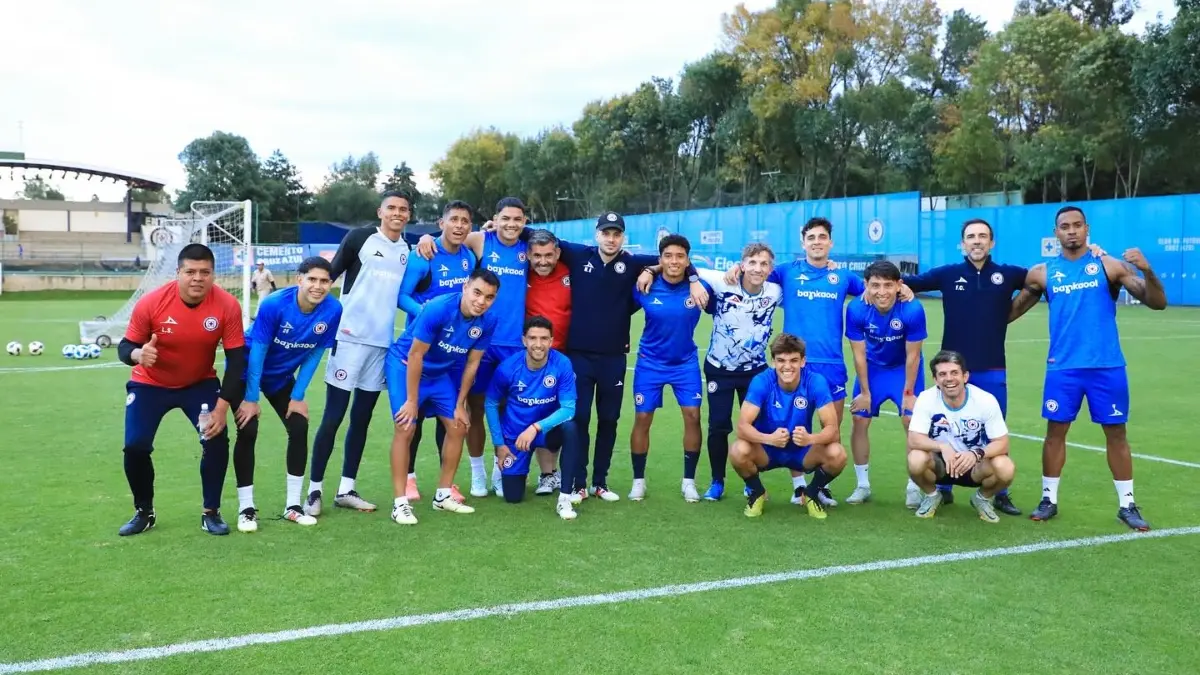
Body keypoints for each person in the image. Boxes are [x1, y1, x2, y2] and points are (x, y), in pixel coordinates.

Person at [1008, 205, 1167, 531]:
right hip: (1062, 368)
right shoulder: (1043, 273)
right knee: (1055, 434)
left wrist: (1147, 270)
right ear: (1056, 233)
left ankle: (1127, 505)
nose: (1071, 231)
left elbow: (1157, 302)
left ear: (1086, 229)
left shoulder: (1108, 266)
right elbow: (1010, 311)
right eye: (1064, 226)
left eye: (1077, 225)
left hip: (1106, 366)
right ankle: (1048, 499)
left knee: (1117, 434)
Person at [550, 212, 708, 503]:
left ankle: (600, 482)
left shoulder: (633, 263)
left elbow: (674, 260)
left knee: (609, 419)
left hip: (614, 356)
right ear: (597, 234)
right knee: (580, 419)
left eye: (616, 234)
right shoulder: (577, 254)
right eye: (606, 233)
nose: (611, 239)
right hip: (579, 356)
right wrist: (498, 228)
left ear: (623, 237)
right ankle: (578, 484)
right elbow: (544, 241)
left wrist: (691, 276)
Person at [723, 218, 875, 506]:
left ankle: (820, 487)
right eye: (811, 237)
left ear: (831, 243)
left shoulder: (842, 277)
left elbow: (876, 288)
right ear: (803, 242)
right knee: (793, 422)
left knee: (830, 430)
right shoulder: (786, 272)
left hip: (831, 364)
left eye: (822, 237)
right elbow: (754, 274)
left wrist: (903, 288)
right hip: (793, 362)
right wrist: (735, 268)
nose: (817, 242)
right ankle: (799, 486)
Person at [115, 243, 247, 536]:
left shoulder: (227, 306)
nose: (197, 278)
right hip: (149, 384)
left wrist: (222, 407)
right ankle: (143, 512)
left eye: (205, 272)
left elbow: (237, 360)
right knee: (135, 446)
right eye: (190, 271)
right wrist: (139, 355)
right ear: (178, 273)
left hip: (199, 384)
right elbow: (125, 347)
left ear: (214, 275)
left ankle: (211, 512)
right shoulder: (151, 303)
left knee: (215, 439)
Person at [640, 242, 783, 502]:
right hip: (720, 368)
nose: (758, 268)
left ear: (770, 268)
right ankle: (717, 481)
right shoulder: (721, 281)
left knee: (756, 426)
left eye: (764, 264)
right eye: (752, 262)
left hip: (756, 371)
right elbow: (683, 265)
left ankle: (751, 481)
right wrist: (662, 272)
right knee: (718, 427)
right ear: (742, 264)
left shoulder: (775, 291)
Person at [307, 191, 417, 516]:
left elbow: (401, 295)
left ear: (409, 215)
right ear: (380, 211)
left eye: (403, 209)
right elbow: (329, 276)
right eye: (392, 208)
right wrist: (326, 322)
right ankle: (314, 491)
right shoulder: (360, 238)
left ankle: (346, 489)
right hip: (350, 339)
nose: (397, 213)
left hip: (381, 345)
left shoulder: (406, 250)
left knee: (362, 419)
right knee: (334, 417)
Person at [416, 197, 529, 499]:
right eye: (505, 218)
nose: (511, 224)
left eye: (517, 219)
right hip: (479, 340)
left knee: (507, 410)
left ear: (525, 221)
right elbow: (450, 234)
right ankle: (477, 474)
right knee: (475, 408)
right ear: (495, 218)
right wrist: (425, 237)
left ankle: (500, 471)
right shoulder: (481, 240)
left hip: (514, 343)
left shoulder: (527, 246)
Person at [229, 257, 343, 532]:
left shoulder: (333, 309)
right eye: (312, 279)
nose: (318, 286)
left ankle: (293, 506)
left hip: (281, 377)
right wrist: (252, 398)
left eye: (324, 281)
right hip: (248, 370)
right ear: (299, 279)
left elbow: (316, 353)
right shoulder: (274, 304)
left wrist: (298, 395)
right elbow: (258, 352)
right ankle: (246, 508)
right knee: (248, 428)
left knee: (299, 425)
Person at [385, 270, 502, 524]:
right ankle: (400, 503)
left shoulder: (488, 322)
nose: (481, 301)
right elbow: (416, 355)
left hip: (439, 375)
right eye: (477, 293)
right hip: (405, 365)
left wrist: (461, 404)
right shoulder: (439, 308)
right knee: (405, 427)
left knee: (459, 426)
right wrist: (412, 401)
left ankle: (443, 495)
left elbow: (472, 364)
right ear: (465, 287)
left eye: (489, 297)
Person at [398, 200, 477, 502]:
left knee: (449, 417)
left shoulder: (469, 257)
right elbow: (402, 296)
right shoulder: (424, 254)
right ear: (440, 223)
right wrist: (428, 316)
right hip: (423, 348)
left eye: (465, 221)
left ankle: (447, 483)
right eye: (453, 220)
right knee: (413, 413)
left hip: (454, 352)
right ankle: (408, 478)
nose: (459, 226)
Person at [628, 234, 713, 501]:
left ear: (688, 260)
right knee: (643, 418)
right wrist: (647, 271)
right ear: (660, 259)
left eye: (680, 256)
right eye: (668, 256)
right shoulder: (645, 286)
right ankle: (638, 481)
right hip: (650, 363)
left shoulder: (700, 288)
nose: (674, 261)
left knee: (692, 416)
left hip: (685, 363)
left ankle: (689, 481)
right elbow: (617, 310)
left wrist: (697, 281)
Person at [729, 333, 847, 518]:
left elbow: (832, 429)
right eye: (781, 360)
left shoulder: (815, 382)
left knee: (837, 454)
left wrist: (811, 438)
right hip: (768, 450)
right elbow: (742, 427)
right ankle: (757, 492)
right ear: (774, 362)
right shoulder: (762, 381)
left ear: (803, 361)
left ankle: (811, 493)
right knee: (738, 450)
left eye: (793, 360)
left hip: (801, 450)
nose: (787, 366)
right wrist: (769, 438)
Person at [845, 260, 928, 506]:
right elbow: (858, 355)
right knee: (860, 418)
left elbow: (913, 356)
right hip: (872, 368)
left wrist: (909, 392)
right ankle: (862, 485)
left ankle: (914, 486)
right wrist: (865, 392)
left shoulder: (912, 309)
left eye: (888, 285)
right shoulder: (857, 309)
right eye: (875, 285)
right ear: (866, 286)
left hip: (903, 369)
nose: (882, 291)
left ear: (899, 285)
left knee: (911, 420)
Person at [485, 316, 581, 519]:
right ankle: (514, 471)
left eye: (544, 338)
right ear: (524, 340)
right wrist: (499, 444)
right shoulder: (508, 368)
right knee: (512, 496)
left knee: (571, 428)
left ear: (551, 341)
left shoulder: (562, 364)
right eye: (533, 338)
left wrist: (536, 427)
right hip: (516, 437)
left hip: (545, 433)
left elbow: (568, 409)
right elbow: (491, 404)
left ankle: (564, 498)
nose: (538, 344)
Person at [906, 350, 1016, 523]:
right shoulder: (926, 398)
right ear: (935, 380)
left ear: (965, 376)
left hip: (975, 466)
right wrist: (943, 447)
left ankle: (982, 499)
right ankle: (932, 496)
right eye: (942, 374)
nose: (949, 379)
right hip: (941, 465)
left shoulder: (985, 400)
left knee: (1005, 467)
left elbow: (1002, 444)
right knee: (915, 459)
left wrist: (976, 454)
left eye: (954, 373)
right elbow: (914, 439)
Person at [523, 229, 575, 494]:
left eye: (548, 255)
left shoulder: (570, 272)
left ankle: (553, 474)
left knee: (556, 415)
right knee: (528, 411)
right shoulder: (521, 273)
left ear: (557, 252)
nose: (542, 261)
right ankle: (520, 469)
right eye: (536, 256)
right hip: (528, 357)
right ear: (528, 255)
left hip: (563, 357)